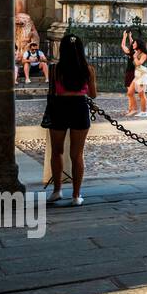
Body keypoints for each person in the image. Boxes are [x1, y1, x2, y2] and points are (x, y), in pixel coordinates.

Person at [46, 33, 97, 207]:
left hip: (59, 108)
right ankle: (76, 195)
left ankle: (57, 190)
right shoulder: (87, 69)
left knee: (56, 151)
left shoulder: (56, 69)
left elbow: (52, 92)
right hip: (79, 108)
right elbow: (93, 94)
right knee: (77, 155)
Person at [122, 30, 140, 116]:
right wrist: (129, 37)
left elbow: (123, 45)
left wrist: (124, 37)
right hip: (132, 72)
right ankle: (130, 109)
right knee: (130, 92)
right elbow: (131, 44)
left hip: (131, 73)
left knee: (130, 92)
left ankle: (133, 109)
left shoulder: (132, 53)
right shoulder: (134, 52)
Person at [131, 39, 147, 118]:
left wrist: (135, 57)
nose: (133, 44)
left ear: (138, 44)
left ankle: (144, 112)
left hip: (142, 77)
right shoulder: (138, 53)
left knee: (142, 95)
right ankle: (142, 111)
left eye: (134, 43)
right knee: (140, 94)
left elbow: (139, 63)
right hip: (139, 76)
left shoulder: (144, 54)